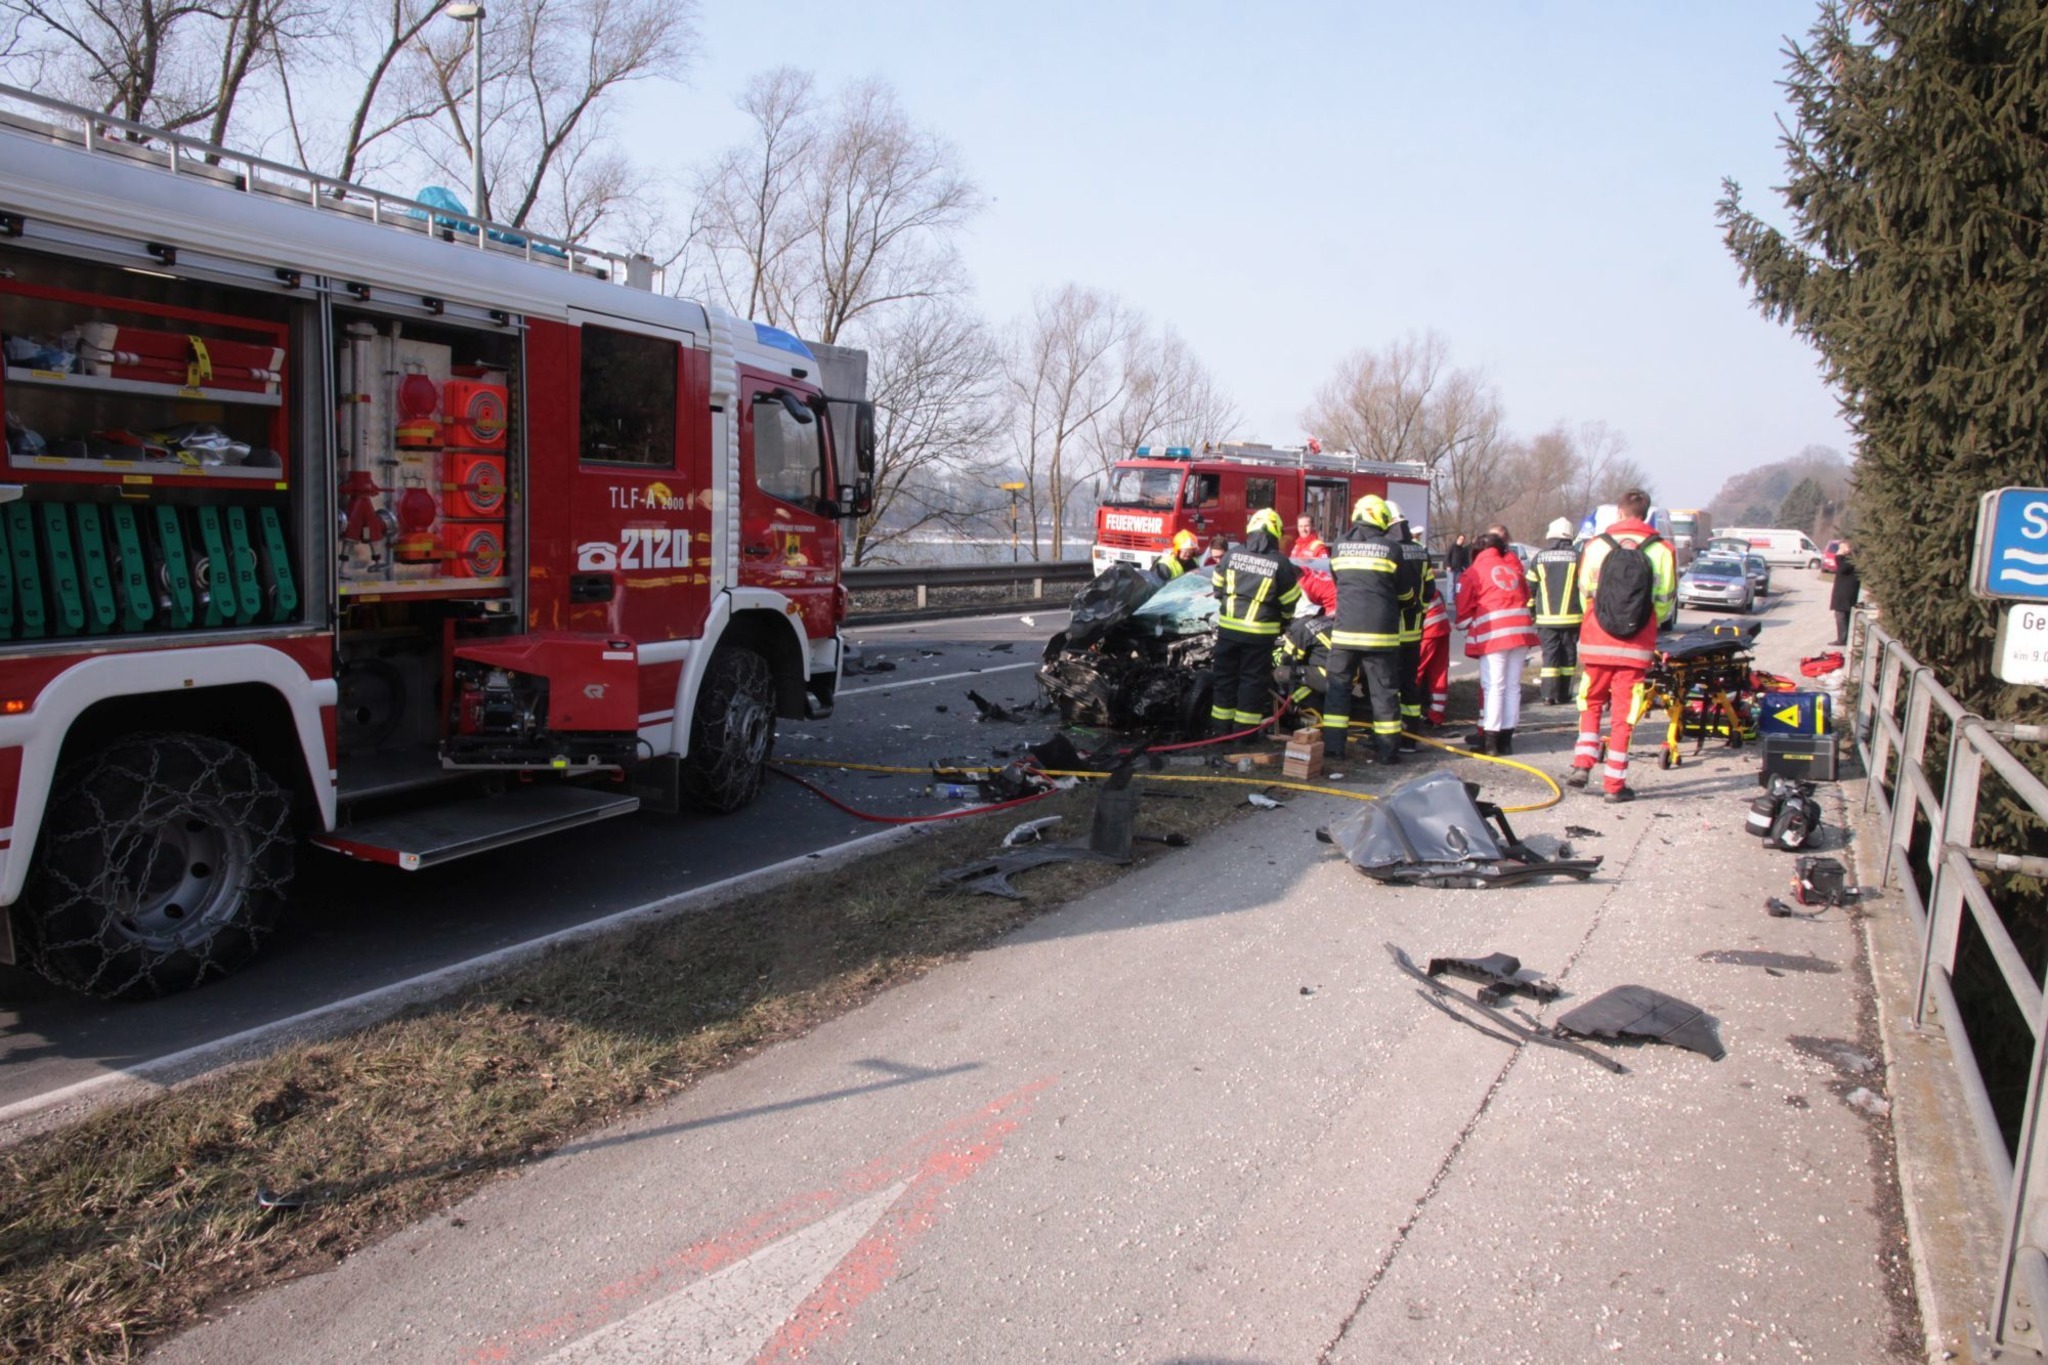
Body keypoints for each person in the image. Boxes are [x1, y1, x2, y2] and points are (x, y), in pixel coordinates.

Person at [1568, 488, 1677, 802]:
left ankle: (1582, 763)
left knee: (1590, 702)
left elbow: (1585, 592)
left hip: (1597, 640)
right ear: (1646, 514)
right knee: (1623, 715)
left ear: (1618, 513)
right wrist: (1643, 623)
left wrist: (1598, 621)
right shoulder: (1662, 550)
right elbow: (1665, 601)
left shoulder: (1596, 545)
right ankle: (1614, 786)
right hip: (1636, 644)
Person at [1323, 494, 1413, 766]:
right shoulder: (1392, 549)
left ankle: (1333, 749)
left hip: (1344, 634)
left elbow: (1338, 582)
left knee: (1337, 691)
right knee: (1383, 693)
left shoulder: (1338, 547)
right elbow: (1406, 593)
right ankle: (1388, 752)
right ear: (1382, 518)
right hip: (1380, 636)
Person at [1208, 508, 1301, 741]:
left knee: (1224, 680)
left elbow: (1217, 586)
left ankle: (1220, 732)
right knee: (1251, 682)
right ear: (1274, 534)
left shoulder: (1231, 555)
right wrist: (1284, 621)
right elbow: (1290, 601)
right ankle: (1244, 735)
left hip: (1228, 631)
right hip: (1259, 635)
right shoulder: (1280, 563)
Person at [1455, 524, 1538, 755]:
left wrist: (1470, 633)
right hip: (1521, 634)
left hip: (1494, 637)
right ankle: (1506, 741)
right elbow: (1526, 597)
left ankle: (1490, 743)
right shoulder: (1513, 569)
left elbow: (1462, 612)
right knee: (1512, 687)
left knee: (1493, 687)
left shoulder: (1473, 572)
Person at [1528, 516, 1584, 705]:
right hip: (1572, 619)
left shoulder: (1539, 558)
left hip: (1546, 620)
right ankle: (1564, 694)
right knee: (1568, 655)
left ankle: (1548, 696)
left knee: (1549, 657)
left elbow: (1530, 588)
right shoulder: (1578, 558)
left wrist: (1532, 613)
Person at [1389, 501, 1429, 751]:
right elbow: (1431, 589)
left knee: (1388, 686)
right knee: (1409, 684)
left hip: (1391, 632)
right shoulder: (1421, 550)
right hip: (1415, 630)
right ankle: (1411, 736)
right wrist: (1420, 611)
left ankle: (1391, 736)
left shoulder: (1390, 551)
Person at [1418, 577, 1451, 727]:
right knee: (1438, 672)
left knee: (1413, 672)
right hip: (1440, 623)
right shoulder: (1418, 565)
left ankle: (1408, 717)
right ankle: (1436, 716)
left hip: (1427, 628)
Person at [1830, 541, 1862, 646]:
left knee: (1841, 616)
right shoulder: (1850, 558)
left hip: (1845, 592)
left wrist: (1838, 556)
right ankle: (1843, 638)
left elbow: (1842, 569)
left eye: (1842, 548)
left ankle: (1842, 639)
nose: (1840, 550)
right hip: (1845, 591)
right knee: (1842, 615)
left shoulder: (1851, 559)